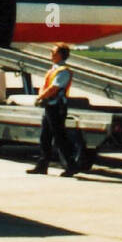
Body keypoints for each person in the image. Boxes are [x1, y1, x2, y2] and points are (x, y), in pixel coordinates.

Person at [28, 43, 80, 177]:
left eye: (54, 52)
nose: (51, 55)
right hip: (50, 106)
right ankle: (42, 165)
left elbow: (54, 88)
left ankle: (71, 165)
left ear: (61, 55)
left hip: (56, 107)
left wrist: (40, 97)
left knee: (59, 137)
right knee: (45, 137)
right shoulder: (54, 69)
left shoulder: (63, 71)